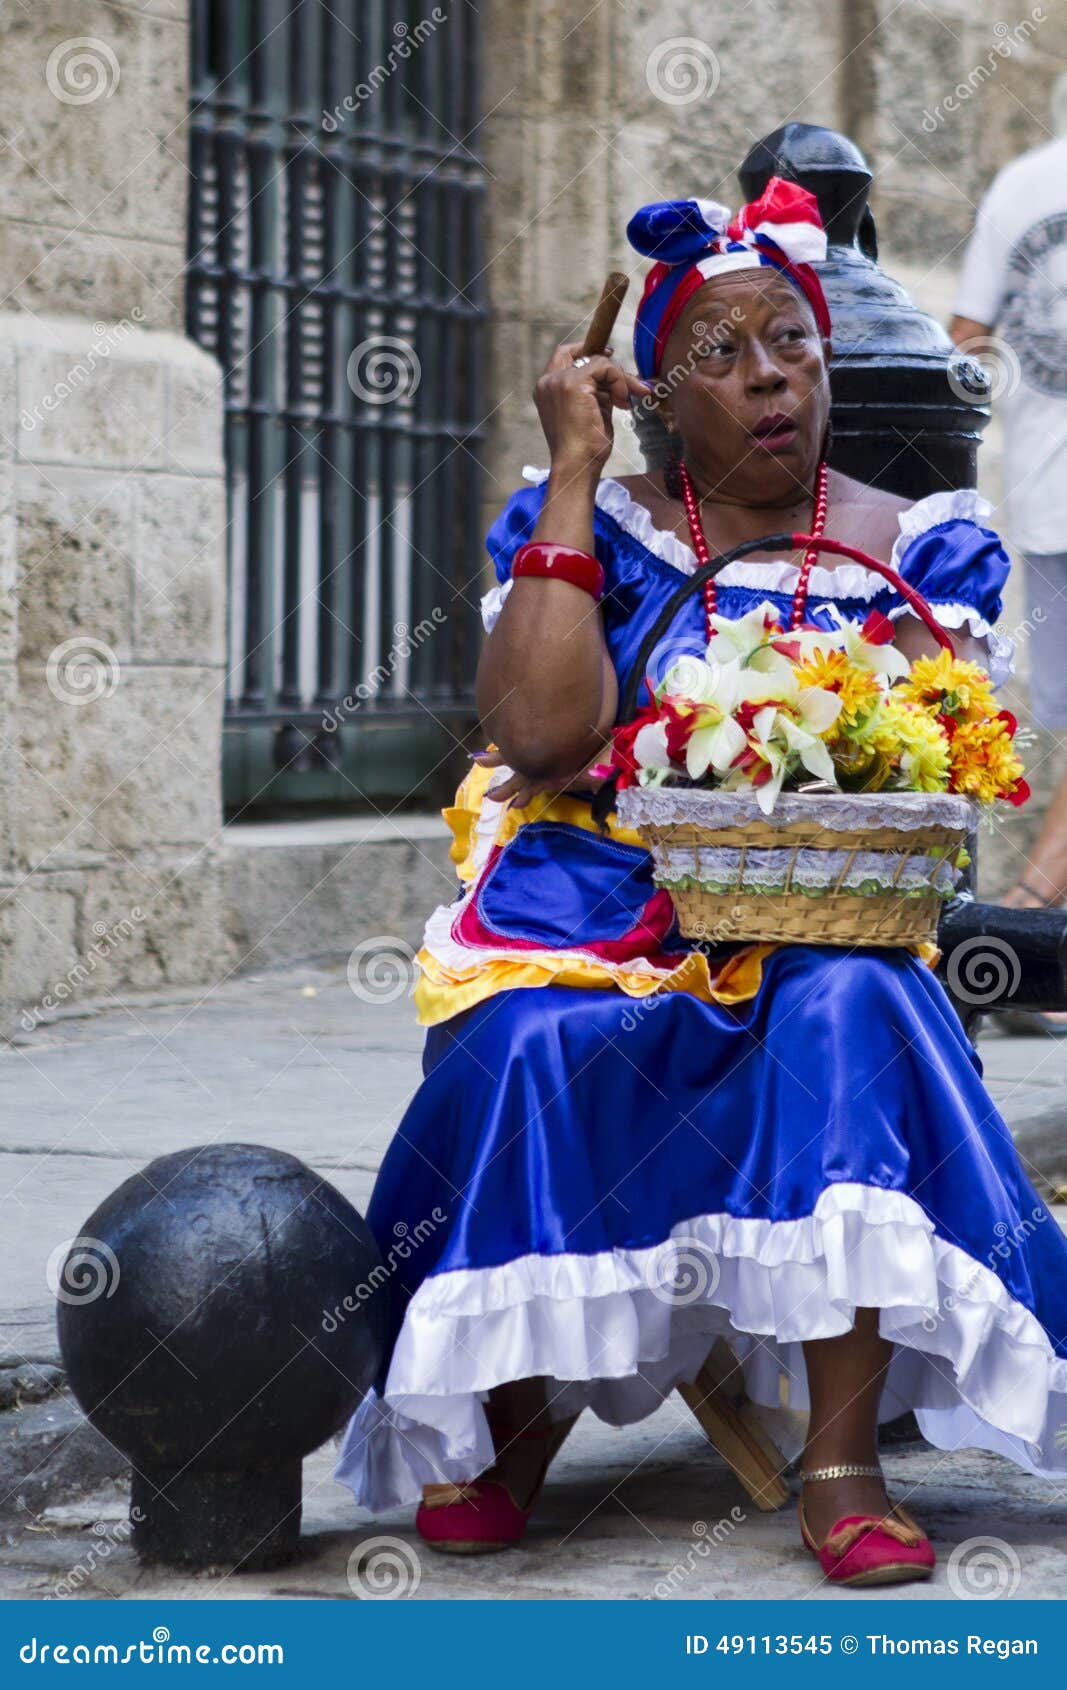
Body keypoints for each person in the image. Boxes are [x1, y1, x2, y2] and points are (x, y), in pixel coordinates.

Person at [335, 179, 1067, 1588]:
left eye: (786, 343)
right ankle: (516, 1404)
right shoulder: (601, 529)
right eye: (718, 354)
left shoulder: (908, 548)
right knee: (527, 1037)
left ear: (823, 361)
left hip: (809, 915)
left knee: (850, 1004)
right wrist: (566, 468)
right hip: (598, 905)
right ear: (661, 393)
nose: (765, 378)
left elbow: (932, 773)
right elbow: (542, 737)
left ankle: (838, 1454)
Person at [951, 72, 1067, 920]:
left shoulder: (1018, 186)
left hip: (1041, 488)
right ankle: (1031, 928)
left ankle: (1030, 919)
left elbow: (966, 343)